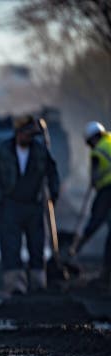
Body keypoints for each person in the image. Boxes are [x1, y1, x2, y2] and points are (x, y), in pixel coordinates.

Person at [0, 114, 60, 294]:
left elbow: (52, 173)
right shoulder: (2, 150)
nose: (29, 138)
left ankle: (38, 284)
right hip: (9, 205)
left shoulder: (40, 151)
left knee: (36, 245)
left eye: (32, 135)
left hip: (33, 204)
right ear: (18, 133)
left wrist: (54, 193)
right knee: (10, 246)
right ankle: (15, 286)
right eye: (27, 134)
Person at [69, 121, 111, 288]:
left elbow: (95, 177)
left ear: (92, 139)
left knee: (96, 220)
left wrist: (94, 181)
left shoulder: (98, 152)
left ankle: (75, 249)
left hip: (107, 190)